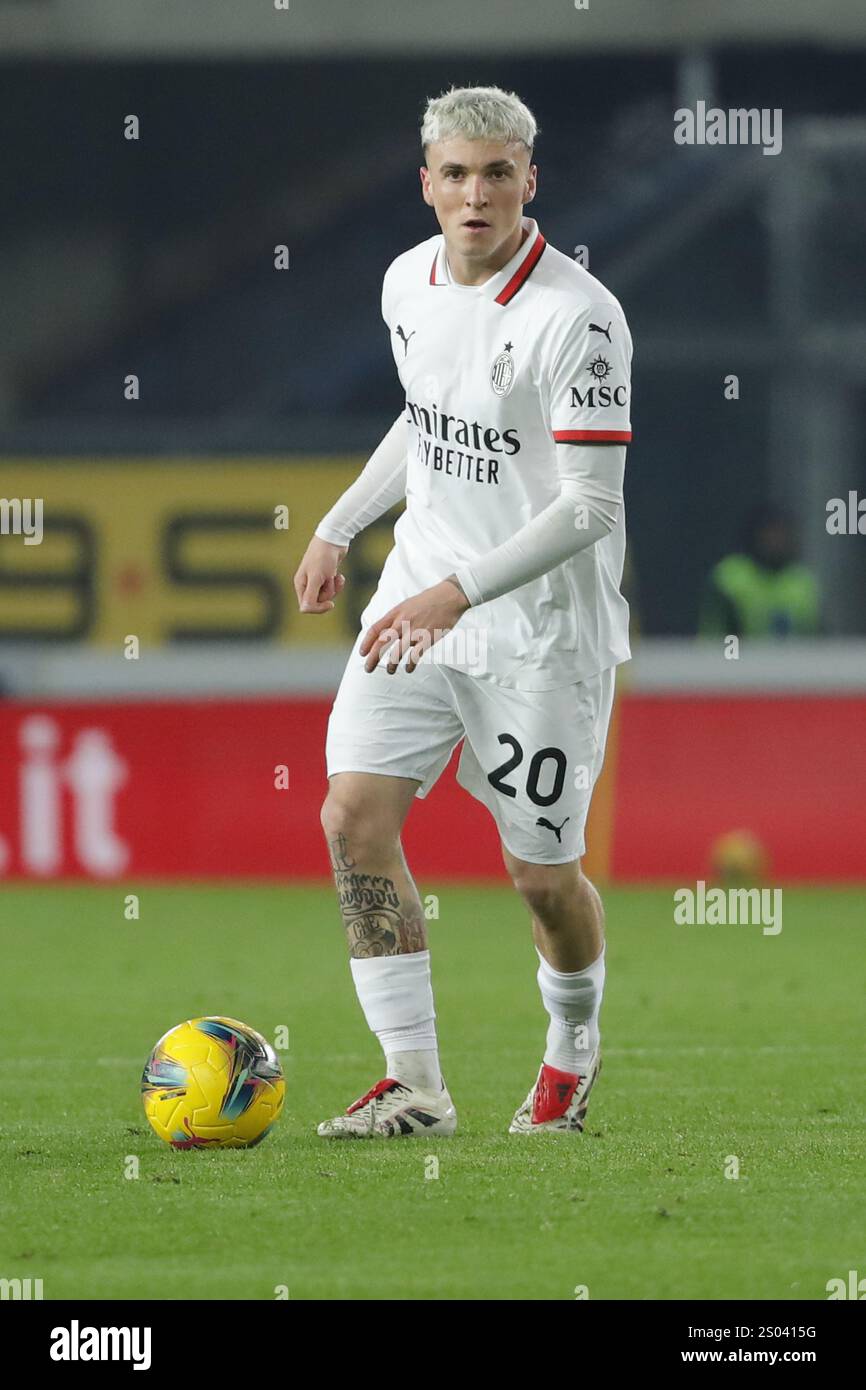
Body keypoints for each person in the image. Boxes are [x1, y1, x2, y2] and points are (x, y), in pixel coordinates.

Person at [293, 85, 633, 1138]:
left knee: (539, 875)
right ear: (426, 183)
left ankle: (569, 1057)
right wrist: (341, 523)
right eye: (455, 173)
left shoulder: (577, 318)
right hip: (419, 599)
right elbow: (424, 415)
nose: (474, 193)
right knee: (352, 817)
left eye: (496, 173)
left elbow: (587, 508)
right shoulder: (407, 280)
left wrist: (458, 591)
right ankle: (415, 1085)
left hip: (536, 632)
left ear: (530, 180)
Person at [698, 504, 821, 638]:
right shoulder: (732, 577)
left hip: (792, 658)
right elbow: (722, 630)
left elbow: (817, 636)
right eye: (770, 533)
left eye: (781, 534)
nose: (776, 541)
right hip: (734, 656)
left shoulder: (802, 582)